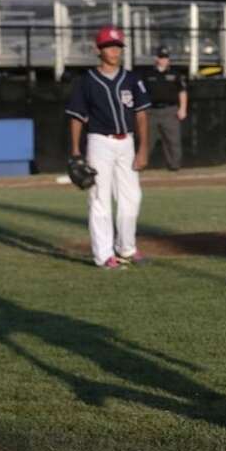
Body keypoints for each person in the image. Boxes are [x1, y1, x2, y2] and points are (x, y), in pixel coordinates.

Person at [65, 25, 151, 269]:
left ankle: (126, 248)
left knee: (132, 197)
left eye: (117, 46)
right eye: (108, 46)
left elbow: (142, 114)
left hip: (127, 142)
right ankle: (104, 255)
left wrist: (143, 148)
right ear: (98, 50)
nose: (114, 51)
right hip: (99, 141)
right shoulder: (86, 81)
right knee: (99, 198)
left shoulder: (132, 79)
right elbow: (77, 117)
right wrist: (75, 151)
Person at [141, 46, 188, 171]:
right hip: (151, 111)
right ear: (156, 58)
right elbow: (141, 93)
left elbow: (182, 92)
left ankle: (174, 165)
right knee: (147, 140)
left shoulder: (175, 74)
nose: (163, 60)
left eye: (166, 57)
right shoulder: (147, 74)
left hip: (170, 111)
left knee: (173, 140)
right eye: (161, 57)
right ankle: (141, 164)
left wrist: (183, 109)